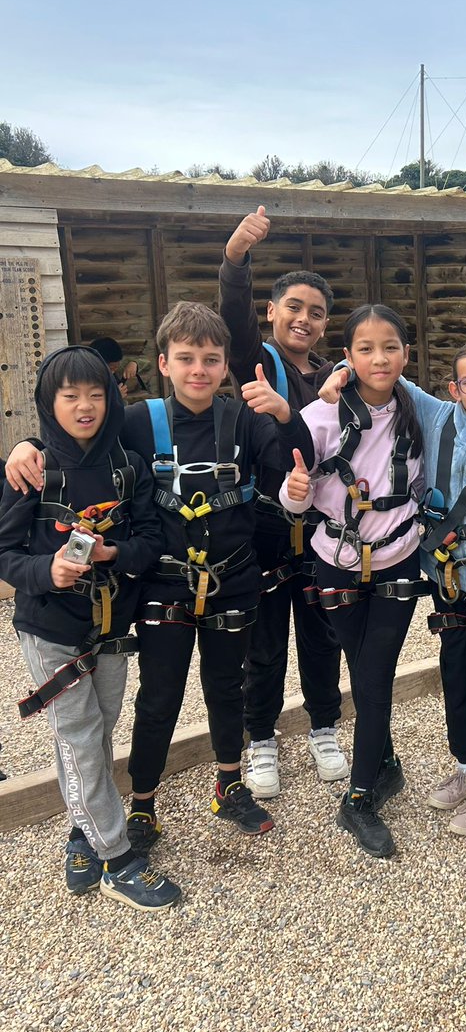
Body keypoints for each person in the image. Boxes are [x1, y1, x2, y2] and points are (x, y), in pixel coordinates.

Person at [7, 304, 313, 849]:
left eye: (211, 360)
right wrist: (26, 446)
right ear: (164, 363)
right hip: (162, 584)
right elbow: (79, 441)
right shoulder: (136, 420)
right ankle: (143, 803)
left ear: (225, 366)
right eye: (186, 358)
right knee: (159, 695)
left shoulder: (244, 419)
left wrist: (287, 416)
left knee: (227, 686)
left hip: (233, 580)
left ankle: (229, 783)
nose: (199, 370)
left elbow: (298, 459)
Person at [0, 346, 180, 911]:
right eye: (70, 396)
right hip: (50, 627)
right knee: (79, 736)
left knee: (96, 733)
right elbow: (5, 552)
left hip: (111, 626)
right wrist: (46, 572)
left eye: (96, 395)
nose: (84, 407)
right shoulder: (31, 470)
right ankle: (116, 857)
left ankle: (82, 832)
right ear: (48, 402)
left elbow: (151, 540)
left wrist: (112, 552)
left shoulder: (128, 466)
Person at [320, 340, 466, 837]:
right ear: (453, 388)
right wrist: (340, 372)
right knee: (455, 672)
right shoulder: (436, 416)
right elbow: (384, 371)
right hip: (444, 573)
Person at [281, 304, 424, 859]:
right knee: (362, 668)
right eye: (364, 349)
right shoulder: (319, 416)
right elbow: (293, 499)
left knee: (374, 672)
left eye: (390, 347)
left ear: (406, 354)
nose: (378, 359)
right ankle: (383, 762)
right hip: (336, 558)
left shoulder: (418, 411)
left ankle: (359, 796)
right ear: (347, 356)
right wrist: (295, 491)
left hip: (397, 558)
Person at [218, 206, 348, 800]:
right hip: (266, 527)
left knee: (322, 636)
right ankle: (262, 739)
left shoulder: (334, 376)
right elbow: (234, 322)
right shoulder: (260, 360)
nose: (304, 319)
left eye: (315, 312)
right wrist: (235, 260)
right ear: (272, 312)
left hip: (321, 524)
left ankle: (324, 727)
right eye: (293, 307)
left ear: (325, 324)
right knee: (265, 643)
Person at [88, 336, 149, 402]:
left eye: (116, 367)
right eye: (111, 368)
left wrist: (134, 364)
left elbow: (148, 363)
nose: (113, 372)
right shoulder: (86, 380)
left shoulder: (117, 364)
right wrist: (115, 397)